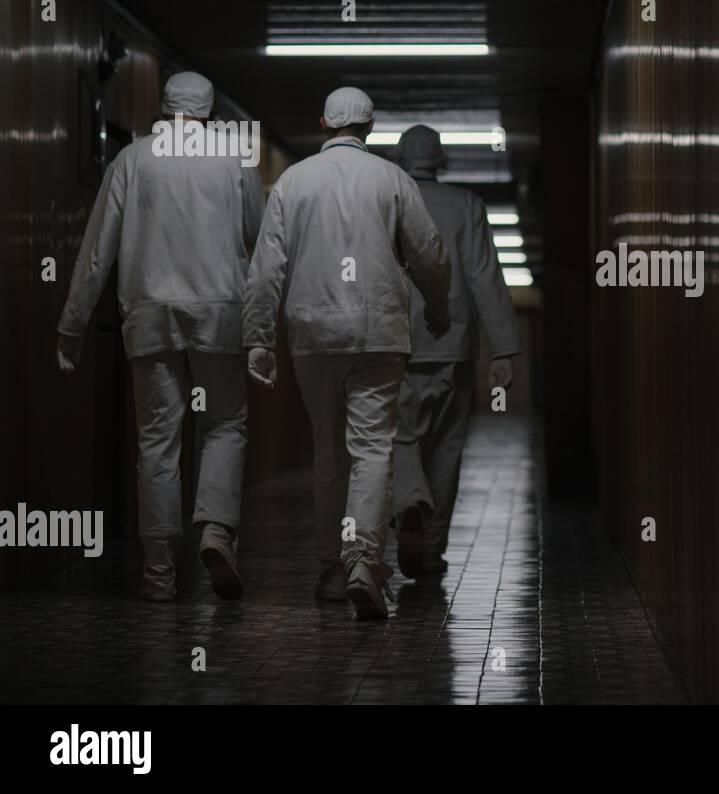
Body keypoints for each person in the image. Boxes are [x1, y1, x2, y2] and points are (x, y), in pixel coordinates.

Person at [243, 88, 451, 620]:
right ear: (371, 127)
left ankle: (332, 571)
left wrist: (259, 337)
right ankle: (362, 562)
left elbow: (267, 267)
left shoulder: (291, 181)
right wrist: (439, 304)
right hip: (378, 329)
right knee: (372, 449)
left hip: (313, 331)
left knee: (327, 449)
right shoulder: (393, 180)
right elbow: (428, 253)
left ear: (322, 123)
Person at [56, 71, 263, 602]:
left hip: (149, 310)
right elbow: (257, 239)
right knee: (223, 426)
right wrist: (264, 322)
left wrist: (73, 323)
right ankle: (216, 532)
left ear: (164, 107)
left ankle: (159, 574)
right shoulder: (236, 155)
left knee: (157, 441)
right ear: (210, 110)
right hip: (220, 309)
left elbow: (99, 248)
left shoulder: (132, 158)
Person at [386, 125, 521, 578]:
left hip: (396, 340)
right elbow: (484, 276)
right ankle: (431, 548)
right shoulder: (467, 205)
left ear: (400, 160)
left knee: (399, 436)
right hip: (453, 345)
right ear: (441, 162)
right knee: (446, 447)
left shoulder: (386, 199)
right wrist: (503, 348)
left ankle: (408, 502)